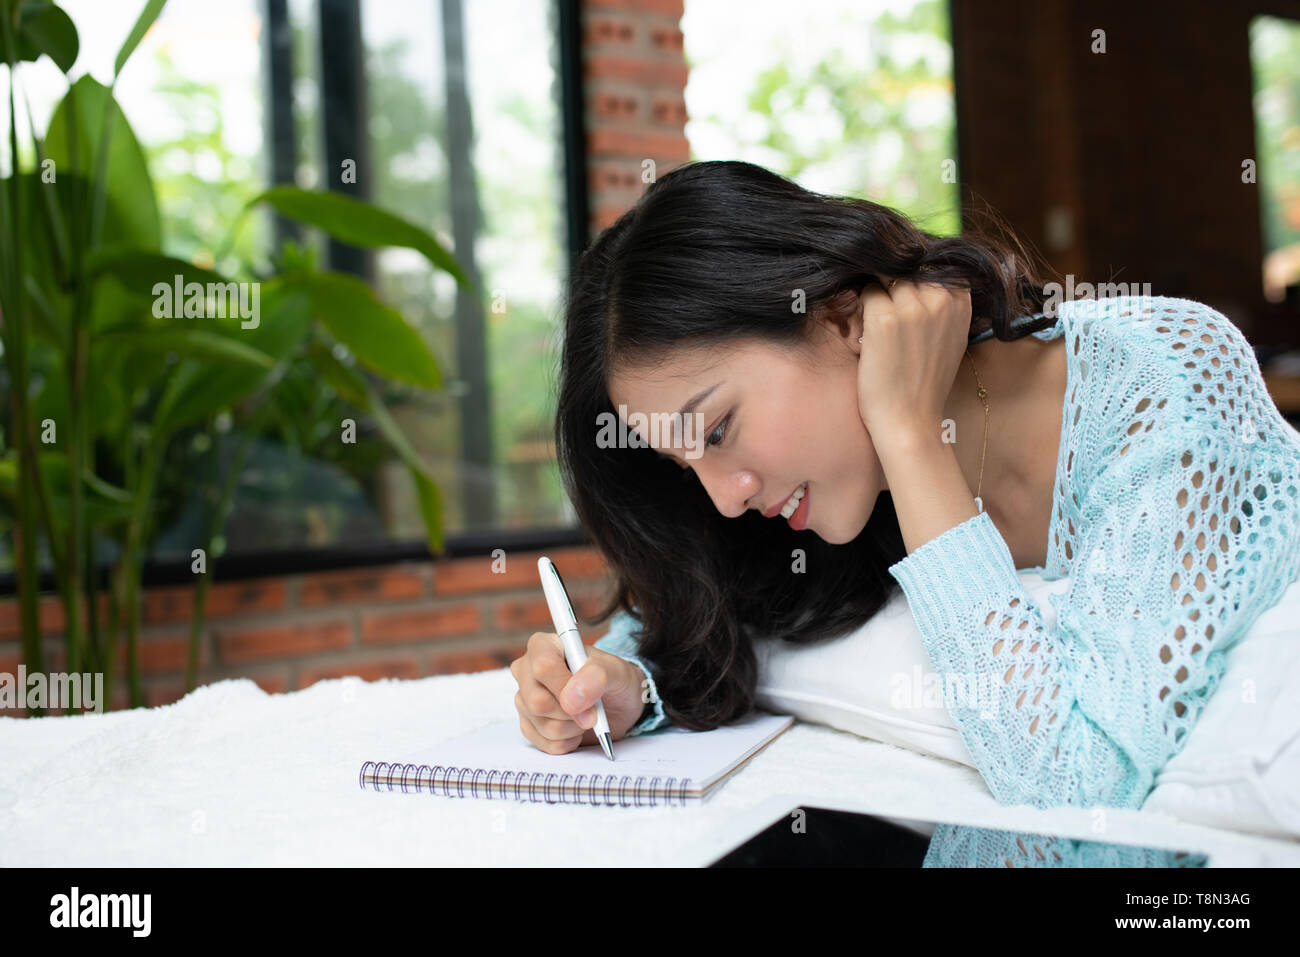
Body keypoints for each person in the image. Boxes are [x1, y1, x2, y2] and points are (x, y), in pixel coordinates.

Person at [509, 159, 1300, 864]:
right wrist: (625, 680)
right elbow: (726, 603)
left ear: (844, 319)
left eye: (717, 430)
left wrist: (911, 434)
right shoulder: (834, 500)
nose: (724, 495)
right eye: (689, 466)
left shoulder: (1166, 376)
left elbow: (1071, 782)